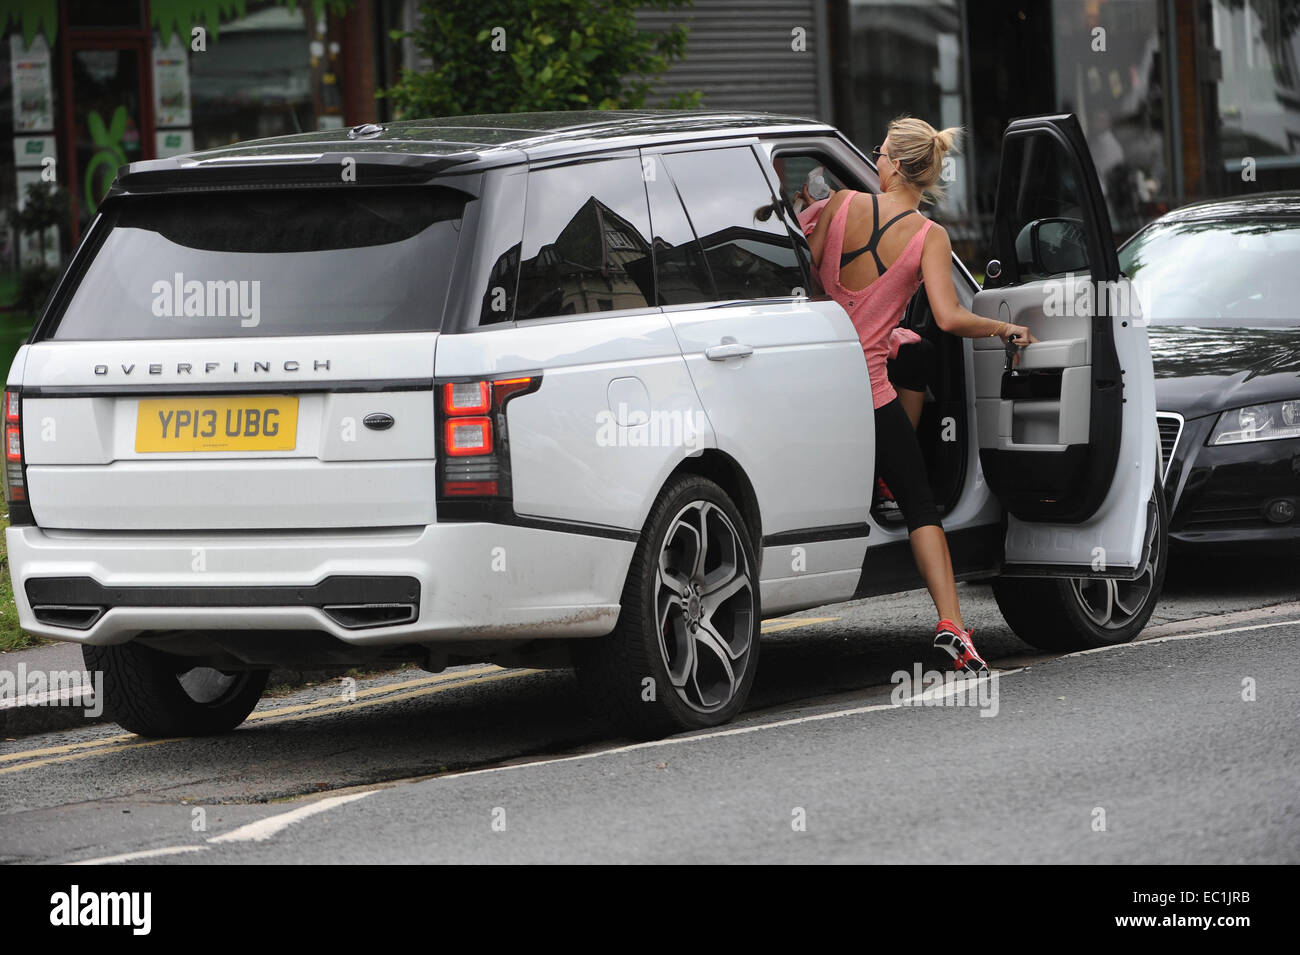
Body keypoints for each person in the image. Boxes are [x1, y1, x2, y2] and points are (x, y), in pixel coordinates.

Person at [805, 116, 1038, 675]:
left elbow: (806, 280)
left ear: (892, 164)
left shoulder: (839, 205)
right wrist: (1004, 328)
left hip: (813, 385)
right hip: (869, 393)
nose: (875, 160)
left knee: (911, 352)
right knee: (919, 505)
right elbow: (951, 317)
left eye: (880, 152)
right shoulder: (929, 237)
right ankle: (952, 626)